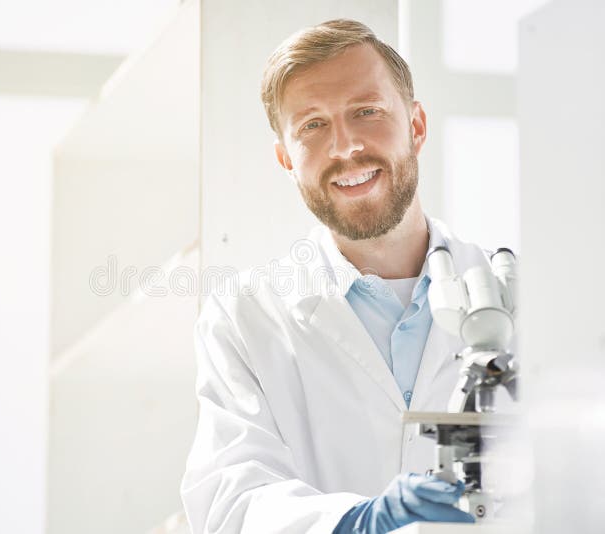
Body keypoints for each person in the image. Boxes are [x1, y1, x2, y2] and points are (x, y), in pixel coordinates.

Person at [181, 19, 490, 534]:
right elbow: (229, 501)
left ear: (416, 126)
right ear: (285, 158)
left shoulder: (520, 299)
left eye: (366, 112)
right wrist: (358, 522)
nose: (345, 148)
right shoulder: (246, 319)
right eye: (312, 126)